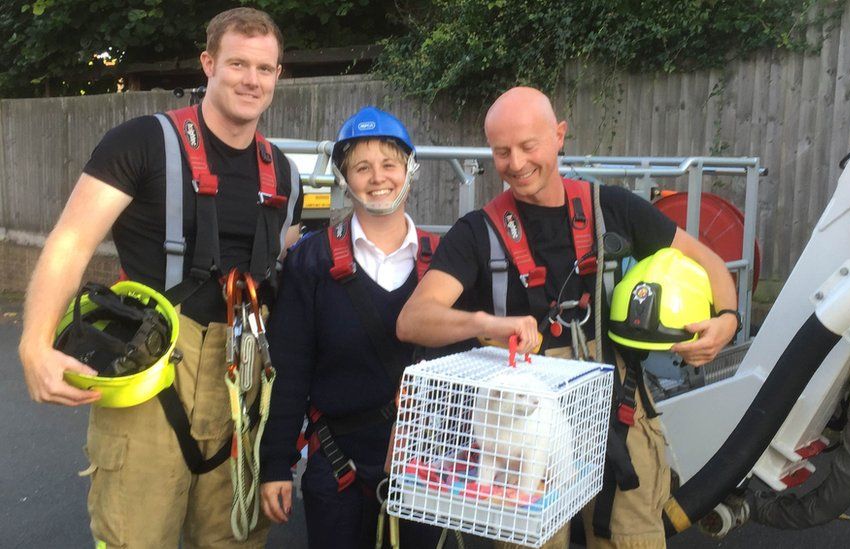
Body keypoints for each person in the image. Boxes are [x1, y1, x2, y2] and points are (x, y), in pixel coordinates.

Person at [396, 86, 739, 548]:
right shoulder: (478, 232)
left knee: (632, 537)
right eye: (501, 152)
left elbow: (709, 263)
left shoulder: (612, 209)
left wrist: (729, 319)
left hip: (617, 407)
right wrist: (487, 325)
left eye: (528, 146)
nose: (515, 164)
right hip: (522, 424)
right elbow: (414, 319)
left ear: (559, 136)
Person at [18, 8, 302, 548]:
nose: (251, 79)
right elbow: (70, 242)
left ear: (278, 76)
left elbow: (279, 269)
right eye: (237, 63)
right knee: (135, 538)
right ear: (208, 63)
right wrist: (34, 345)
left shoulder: (283, 173)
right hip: (150, 375)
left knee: (234, 539)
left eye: (264, 68)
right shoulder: (142, 142)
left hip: (242, 383)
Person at [259, 106, 442, 548]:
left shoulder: (442, 263)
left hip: (424, 468)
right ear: (344, 177)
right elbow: (289, 369)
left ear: (409, 170)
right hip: (338, 465)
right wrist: (276, 465)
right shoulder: (312, 261)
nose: (377, 177)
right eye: (361, 167)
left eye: (389, 164)